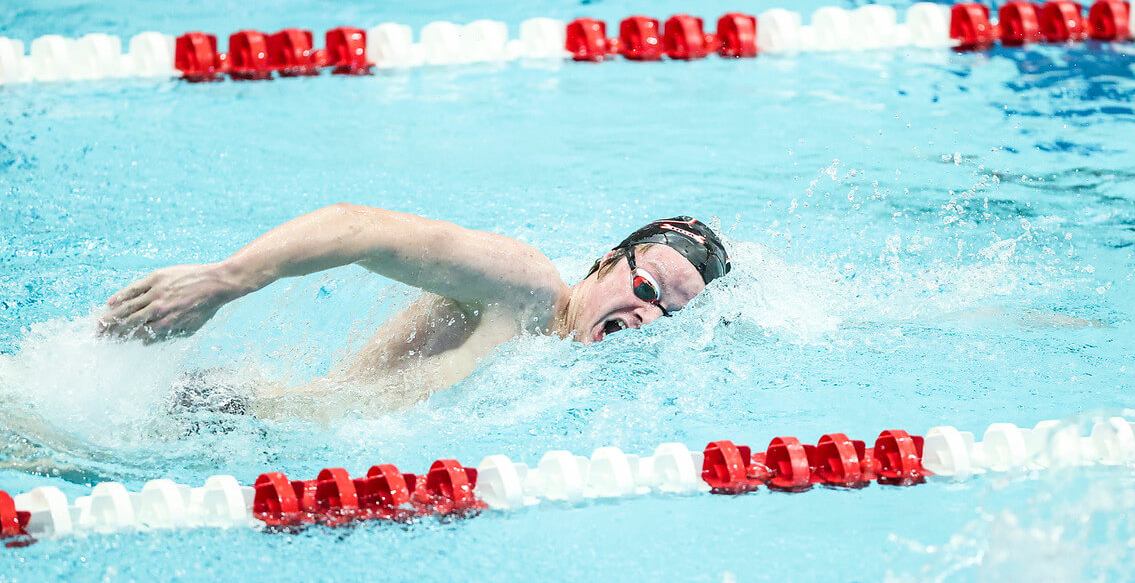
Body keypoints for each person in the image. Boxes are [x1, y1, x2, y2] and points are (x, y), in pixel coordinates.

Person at [97, 205, 731, 420]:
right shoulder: (526, 288)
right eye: (645, 287)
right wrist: (226, 280)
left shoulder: (567, 370)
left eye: (670, 314)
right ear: (606, 262)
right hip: (226, 417)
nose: (648, 316)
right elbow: (362, 229)